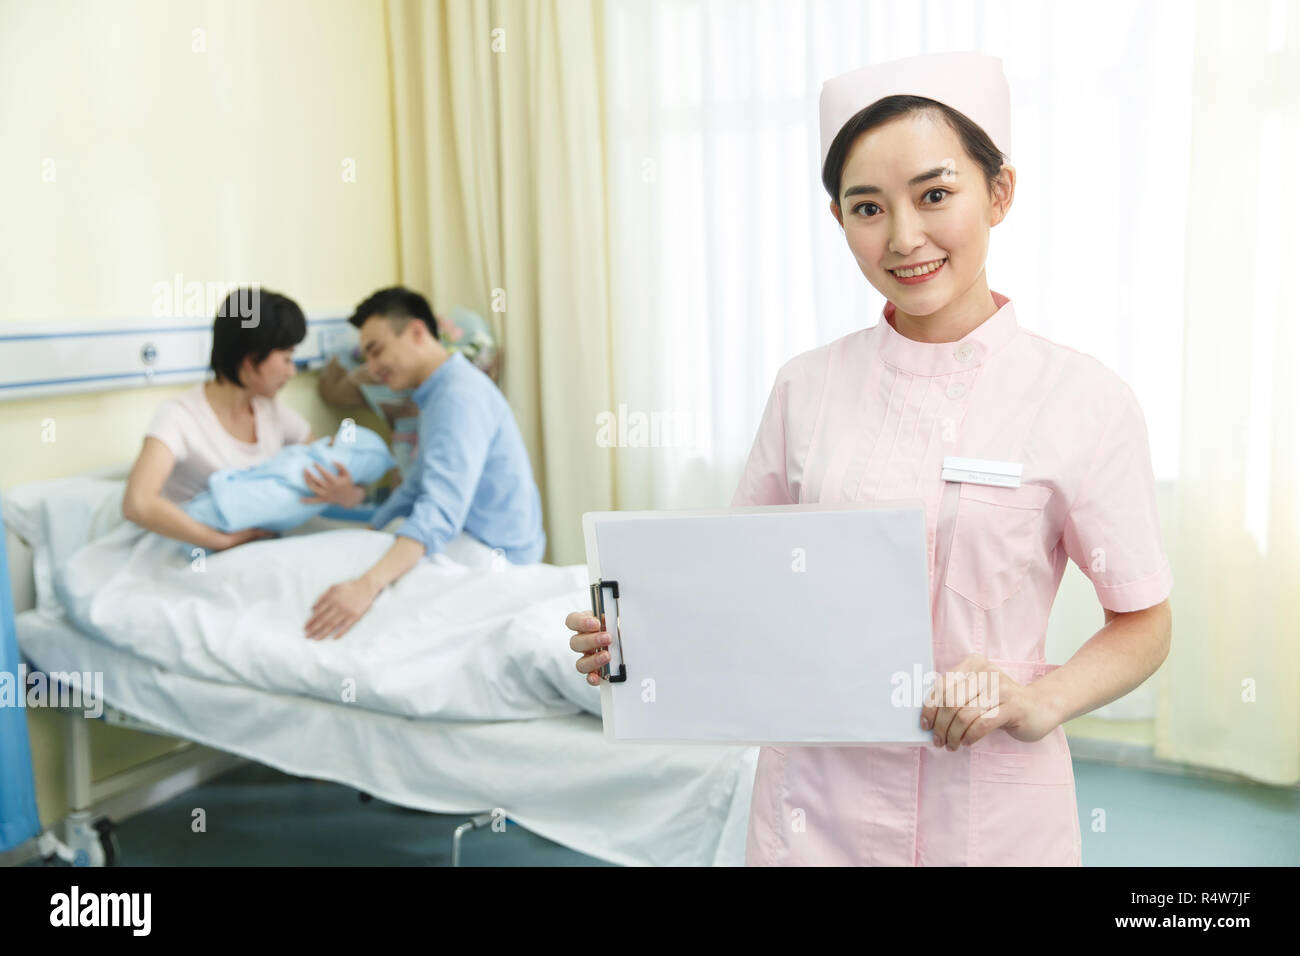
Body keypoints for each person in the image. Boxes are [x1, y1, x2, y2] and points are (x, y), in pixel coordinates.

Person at [566, 51, 1173, 866]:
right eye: (867, 208)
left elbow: (1143, 620)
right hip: (813, 807)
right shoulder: (806, 388)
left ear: (999, 193)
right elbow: (742, 588)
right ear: (839, 220)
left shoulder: (1081, 398)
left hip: (986, 807)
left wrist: (1038, 699)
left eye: (934, 194)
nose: (904, 238)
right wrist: (641, 642)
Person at [304, 287, 546, 640]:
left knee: (374, 614)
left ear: (417, 332)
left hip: (494, 559)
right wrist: (371, 531)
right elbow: (417, 485)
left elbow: (440, 510)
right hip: (486, 545)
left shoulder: (458, 398)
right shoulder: (440, 392)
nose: (371, 369)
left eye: (376, 351)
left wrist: (366, 585)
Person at [123, 288, 362, 551]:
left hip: (256, 550)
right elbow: (138, 502)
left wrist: (346, 495)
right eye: (286, 358)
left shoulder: (271, 411)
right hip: (194, 552)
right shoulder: (179, 416)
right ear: (250, 361)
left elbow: (327, 466)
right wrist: (217, 540)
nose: (292, 371)